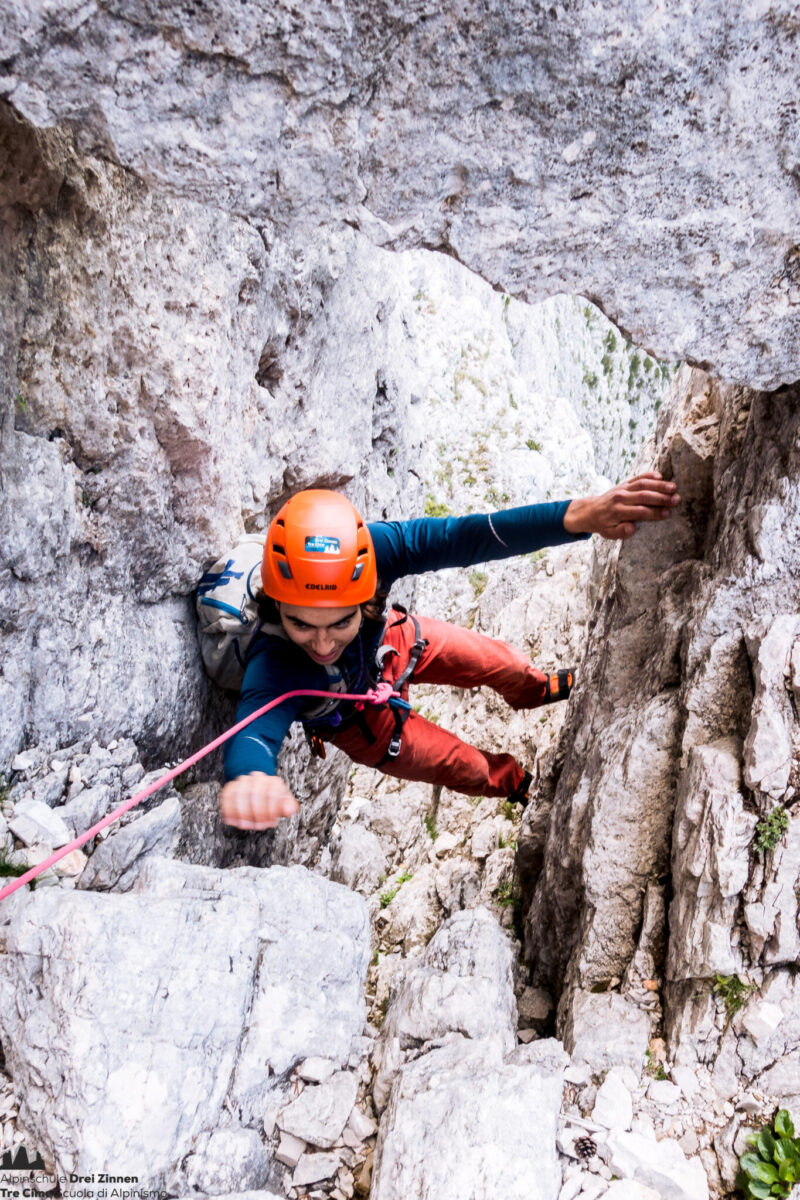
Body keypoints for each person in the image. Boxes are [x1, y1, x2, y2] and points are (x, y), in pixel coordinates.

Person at [219, 473, 680, 831]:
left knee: (498, 661)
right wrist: (250, 776)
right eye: (301, 624)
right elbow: (254, 734)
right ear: (278, 605)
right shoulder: (275, 659)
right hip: (360, 723)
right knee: (463, 766)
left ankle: (535, 689)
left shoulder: (374, 553)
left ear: (364, 593)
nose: (321, 645)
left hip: (393, 645)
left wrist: (577, 516)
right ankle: (516, 783)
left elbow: (469, 537)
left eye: (341, 621)